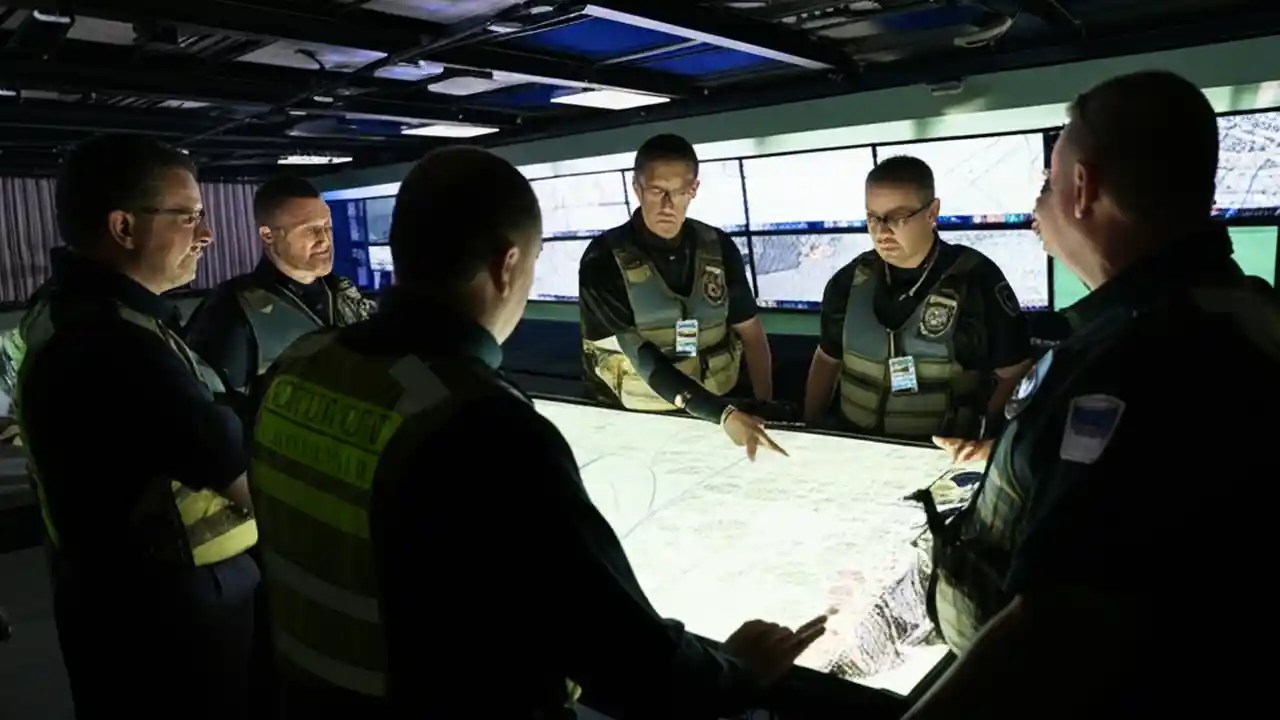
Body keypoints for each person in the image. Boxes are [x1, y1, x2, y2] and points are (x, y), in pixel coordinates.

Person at [247, 145, 826, 718]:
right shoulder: (481, 425)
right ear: (508, 266)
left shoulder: (297, 366)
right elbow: (625, 659)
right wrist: (735, 672)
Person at [903, 70, 1277, 719]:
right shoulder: (1238, 311)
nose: (1037, 206)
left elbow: (1054, 634)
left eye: (1047, 184)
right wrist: (1019, 457)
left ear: (1082, 187)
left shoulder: (1147, 360)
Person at [12, 134, 259, 718]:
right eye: (189, 216)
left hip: (104, 595)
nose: (206, 234)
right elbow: (248, 484)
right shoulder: (116, 342)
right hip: (171, 615)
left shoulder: (65, 306)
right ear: (123, 227)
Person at [579, 134, 783, 460]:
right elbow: (642, 357)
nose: (667, 205)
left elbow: (752, 334)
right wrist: (722, 415)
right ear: (637, 189)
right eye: (657, 191)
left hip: (721, 407)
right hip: (638, 417)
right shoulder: (603, 260)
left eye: (679, 192)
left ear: (694, 189)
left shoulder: (718, 247)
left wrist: (764, 407)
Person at [803, 156, 1032, 443]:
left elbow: (1015, 372)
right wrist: (809, 431)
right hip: (857, 446)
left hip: (940, 452)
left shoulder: (977, 281)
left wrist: (986, 436)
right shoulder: (847, 283)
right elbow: (827, 360)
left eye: (898, 217)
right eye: (873, 218)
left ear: (932, 212)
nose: (882, 232)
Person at [183, 174, 373, 397]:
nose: (324, 239)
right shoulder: (231, 310)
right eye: (310, 229)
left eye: (327, 227)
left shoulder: (344, 294)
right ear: (268, 235)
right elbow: (210, 405)